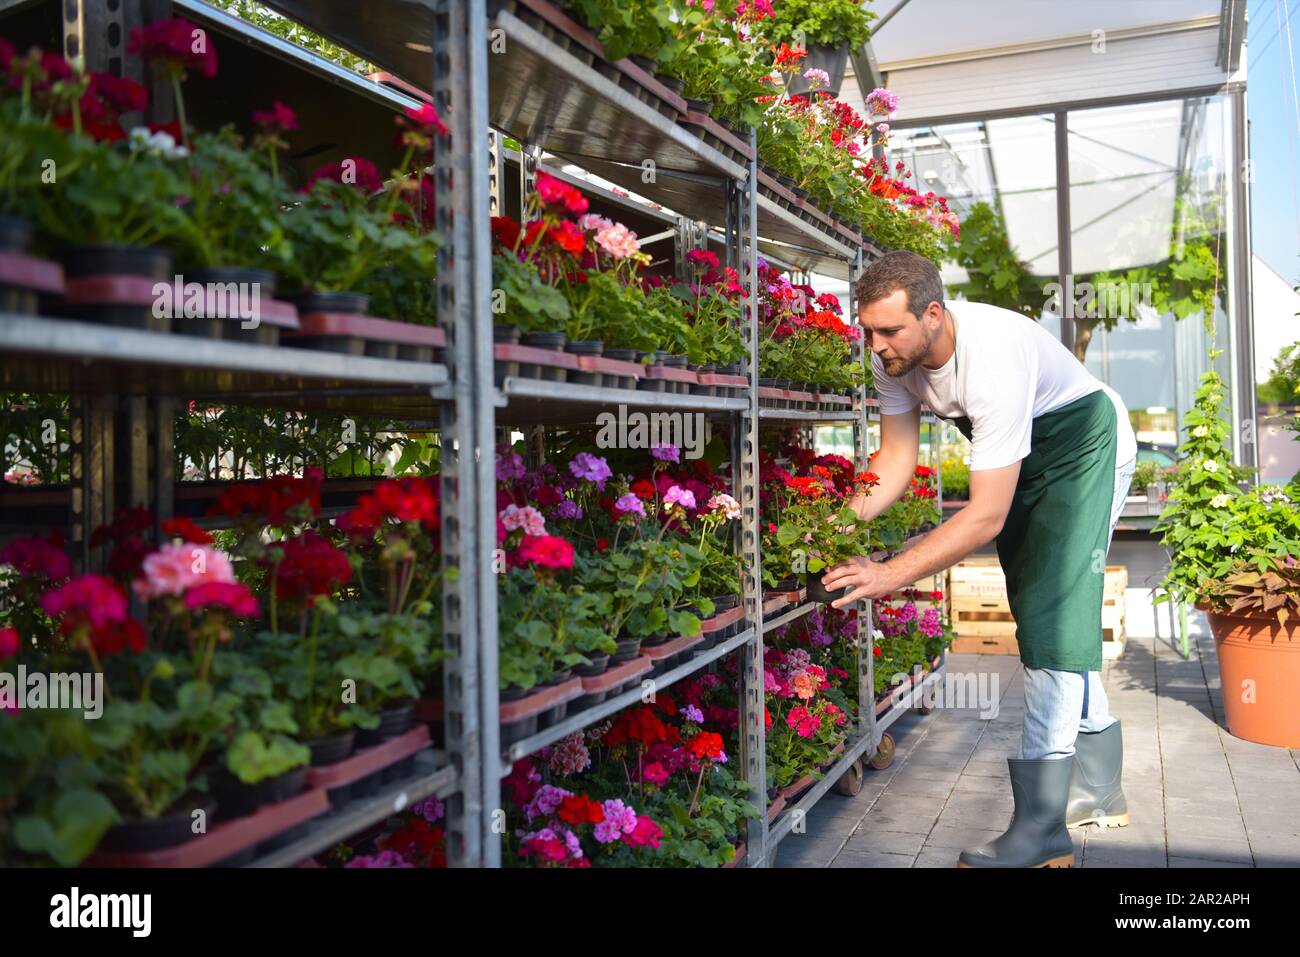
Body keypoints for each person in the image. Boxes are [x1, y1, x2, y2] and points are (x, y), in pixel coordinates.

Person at [821, 250, 1137, 868]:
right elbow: (893, 461)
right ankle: (1097, 784)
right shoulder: (897, 361)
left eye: (890, 331)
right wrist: (829, 526)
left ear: (933, 315)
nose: (877, 346)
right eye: (869, 331)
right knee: (1044, 606)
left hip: (1087, 445)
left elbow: (985, 516)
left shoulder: (991, 357)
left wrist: (890, 574)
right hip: (1026, 459)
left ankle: (1042, 828)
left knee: (1054, 610)